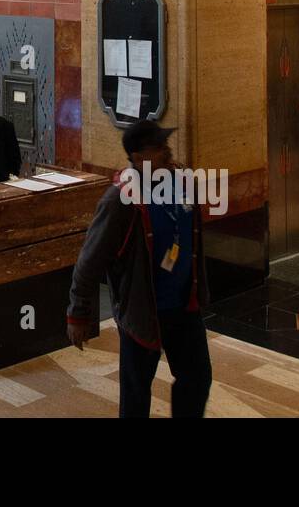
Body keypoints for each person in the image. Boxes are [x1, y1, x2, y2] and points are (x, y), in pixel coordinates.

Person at [66, 119, 211, 418]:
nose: (167, 150)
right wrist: (78, 314)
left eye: (165, 144)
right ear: (137, 157)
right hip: (142, 310)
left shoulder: (182, 182)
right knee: (136, 394)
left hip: (184, 306)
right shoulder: (120, 200)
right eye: (158, 147)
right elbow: (89, 261)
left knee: (197, 378)